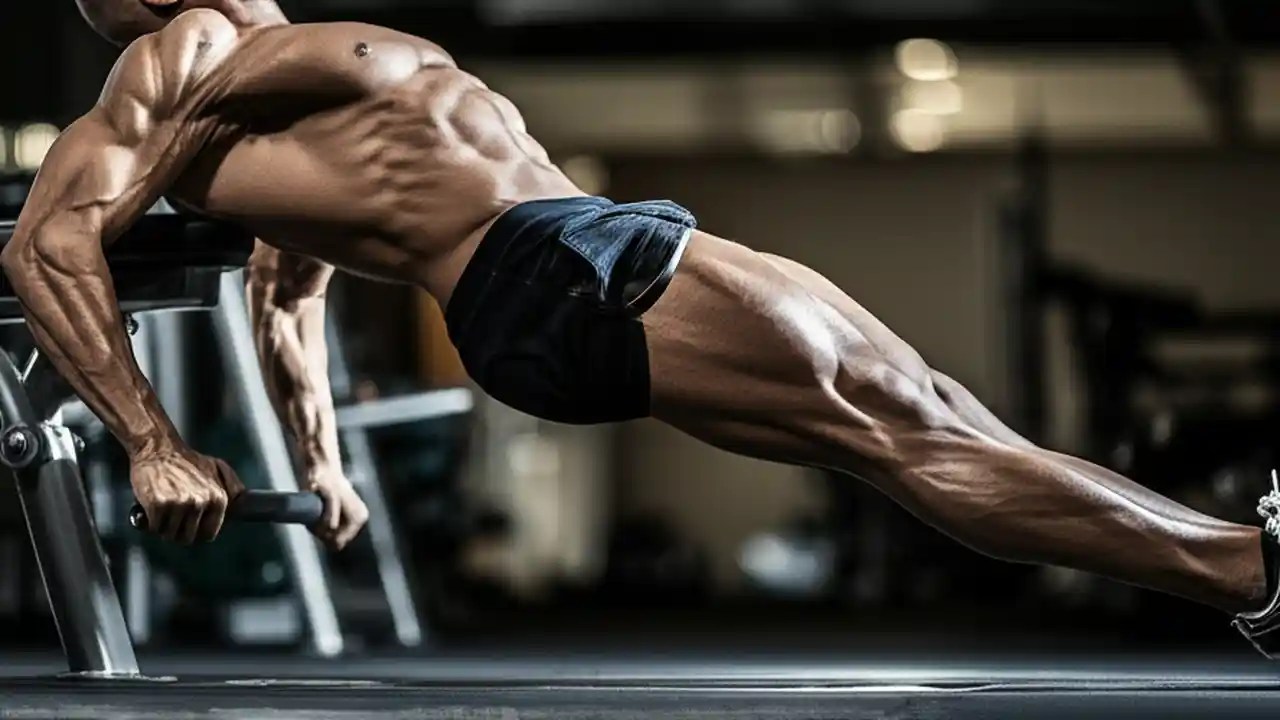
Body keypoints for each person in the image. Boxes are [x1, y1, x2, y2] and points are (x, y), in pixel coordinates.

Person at [6, 0, 1280, 655]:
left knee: (927, 419)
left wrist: (324, 462)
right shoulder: (187, 54)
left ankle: (1240, 564)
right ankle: (1247, 573)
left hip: (568, 254)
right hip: (551, 267)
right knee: (910, 431)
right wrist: (150, 441)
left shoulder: (277, 104)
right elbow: (48, 242)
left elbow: (289, 295)